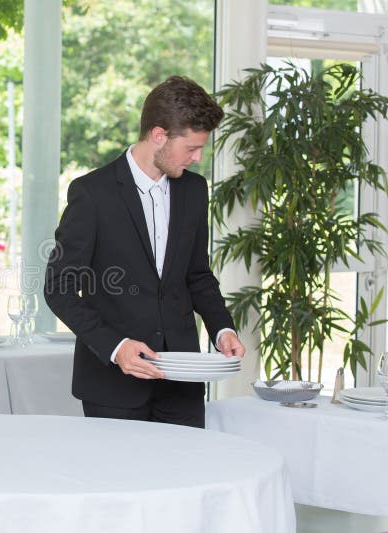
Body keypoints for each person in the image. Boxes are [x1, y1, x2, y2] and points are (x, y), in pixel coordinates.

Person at [44, 76, 245, 428]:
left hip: (181, 385)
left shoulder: (195, 191)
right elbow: (59, 288)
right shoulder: (91, 193)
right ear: (158, 135)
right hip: (112, 387)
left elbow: (197, 275)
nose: (198, 158)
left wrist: (222, 329)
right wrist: (115, 345)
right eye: (192, 148)